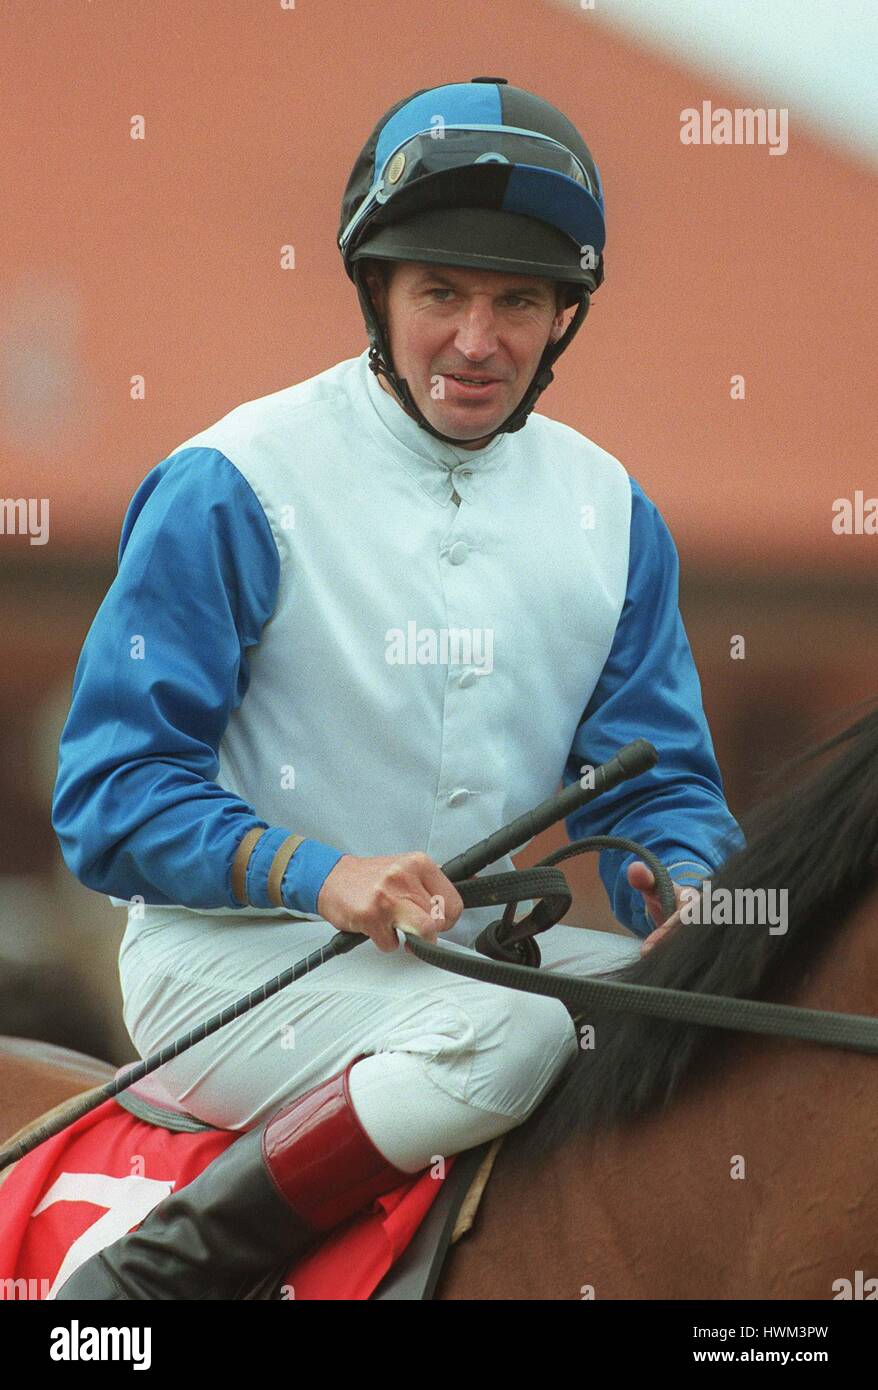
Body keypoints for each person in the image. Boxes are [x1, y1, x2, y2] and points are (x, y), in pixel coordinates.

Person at [51, 77, 743, 1299]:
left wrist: (680, 884)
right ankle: (151, 1281)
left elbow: (660, 783)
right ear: (377, 292)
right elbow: (110, 796)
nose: (476, 342)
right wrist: (325, 873)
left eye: (516, 302)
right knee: (520, 1032)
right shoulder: (232, 481)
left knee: (733, 1030)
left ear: (562, 317)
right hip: (234, 967)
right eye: (441, 294)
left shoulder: (610, 512)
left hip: (472, 966)